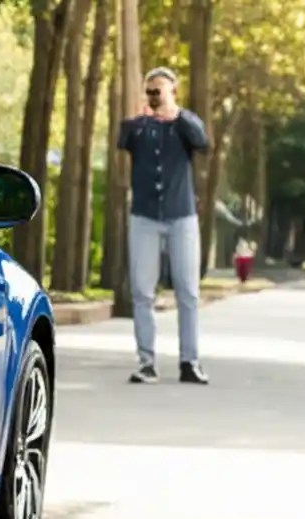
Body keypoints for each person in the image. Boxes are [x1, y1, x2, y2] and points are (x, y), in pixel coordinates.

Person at [117, 67, 210, 385]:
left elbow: (201, 140)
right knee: (142, 292)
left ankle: (190, 361)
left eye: (161, 90)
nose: (155, 96)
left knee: (188, 291)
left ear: (173, 91)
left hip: (181, 216)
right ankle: (146, 362)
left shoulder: (185, 125)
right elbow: (124, 137)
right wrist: (143, 115)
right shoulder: (137, 127)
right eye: (150, 90)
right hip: (144, 217)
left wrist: (175, 114)